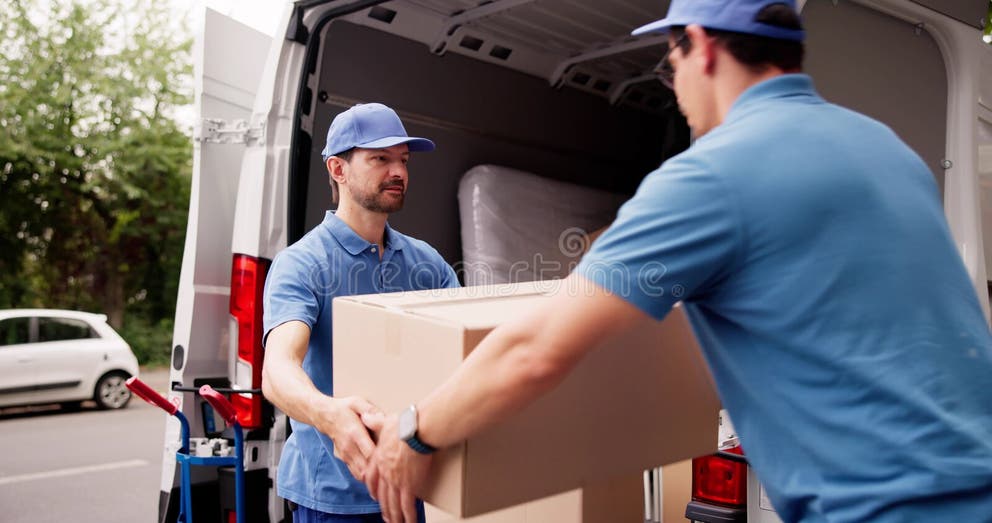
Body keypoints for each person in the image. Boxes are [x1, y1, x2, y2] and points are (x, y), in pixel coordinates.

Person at [361, 1, 992, 522]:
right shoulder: (886, 148)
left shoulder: (716, 174)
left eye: (670, 66)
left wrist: (414, 434)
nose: (676, 88)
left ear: (702, 47)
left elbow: (537, 347)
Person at [261, 102, 458, 523]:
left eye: (403, 160)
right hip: (337, 498)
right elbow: (277, 370)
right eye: (380, 158)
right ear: (338, 169)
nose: (398, 172)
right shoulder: (302, 264)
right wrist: (329, 415)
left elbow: (466, 352)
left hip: (419, 486)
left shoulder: (427, 263)